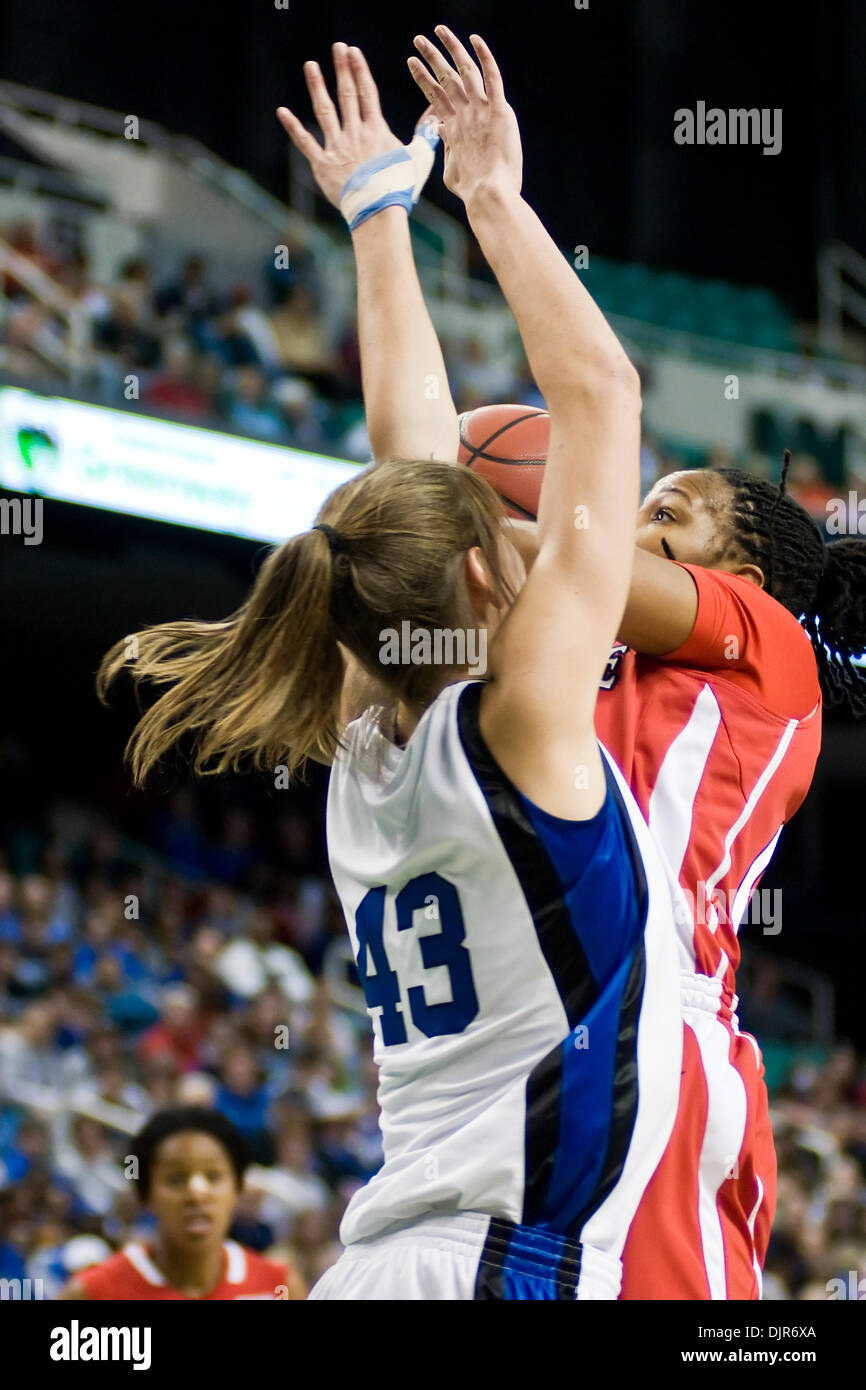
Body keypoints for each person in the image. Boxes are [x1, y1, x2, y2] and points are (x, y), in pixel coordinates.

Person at [97, 32, 684, 1300]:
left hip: (397, 1258)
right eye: (506, 535)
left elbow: (408, 463)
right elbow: (597, 396)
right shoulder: (520, 718)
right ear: (484, 579)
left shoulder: (373, 727)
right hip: (492, 1265)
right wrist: (487, 199)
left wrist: (379, 222)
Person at [294, 37, 866, 1298]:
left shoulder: (760, 646)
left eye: (672, 516)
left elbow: (453, 499)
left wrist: (455, 210)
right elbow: (430, 488)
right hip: (567, 1043)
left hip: (655, 1065)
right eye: (637, 505)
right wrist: (395, 219)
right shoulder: (514, 684)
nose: (622, 523)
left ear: (746, 574)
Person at [55, 1108, 305, 1300]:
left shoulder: (280, 1286)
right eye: (176, 1179)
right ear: (146, 1194)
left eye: (213, 1176)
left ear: (237, 1189)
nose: (197, 1195)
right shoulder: (92, 1292)